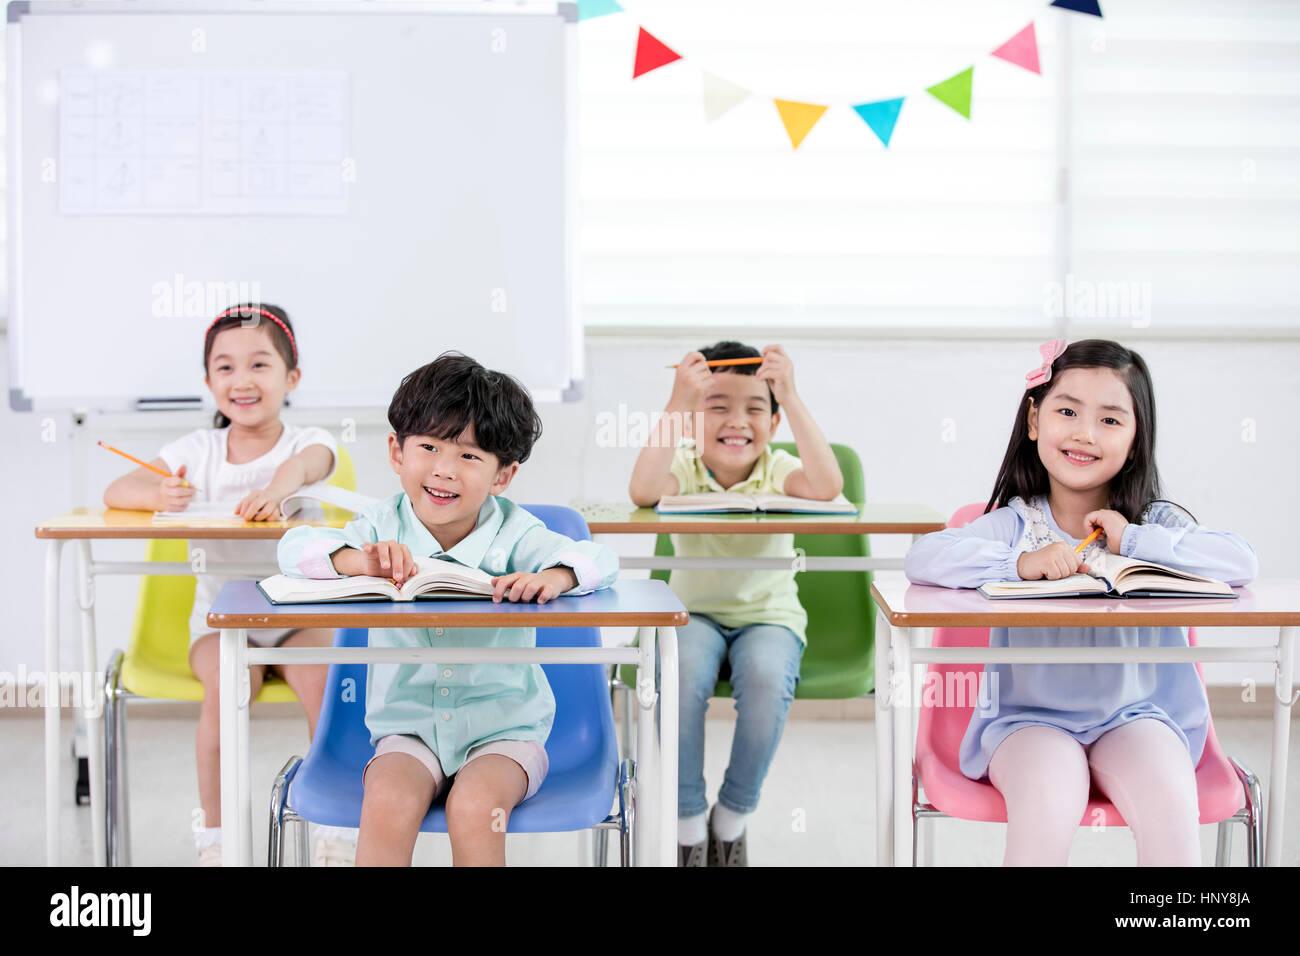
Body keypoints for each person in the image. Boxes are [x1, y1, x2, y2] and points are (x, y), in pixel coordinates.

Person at [905, 338, 1257, 866]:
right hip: (1028, 722)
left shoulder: (1154, 523)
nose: (1084, 434)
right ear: (1034, 421)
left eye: (1111, 420)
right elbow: (926, 558)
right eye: (1067, 411)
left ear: (1137, 440)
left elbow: (1240, 561)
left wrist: (1133, 542)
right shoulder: (1016, 523)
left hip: (1138, 715)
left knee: (1170, 802)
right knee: (1047, 803)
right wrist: (1017, 565)